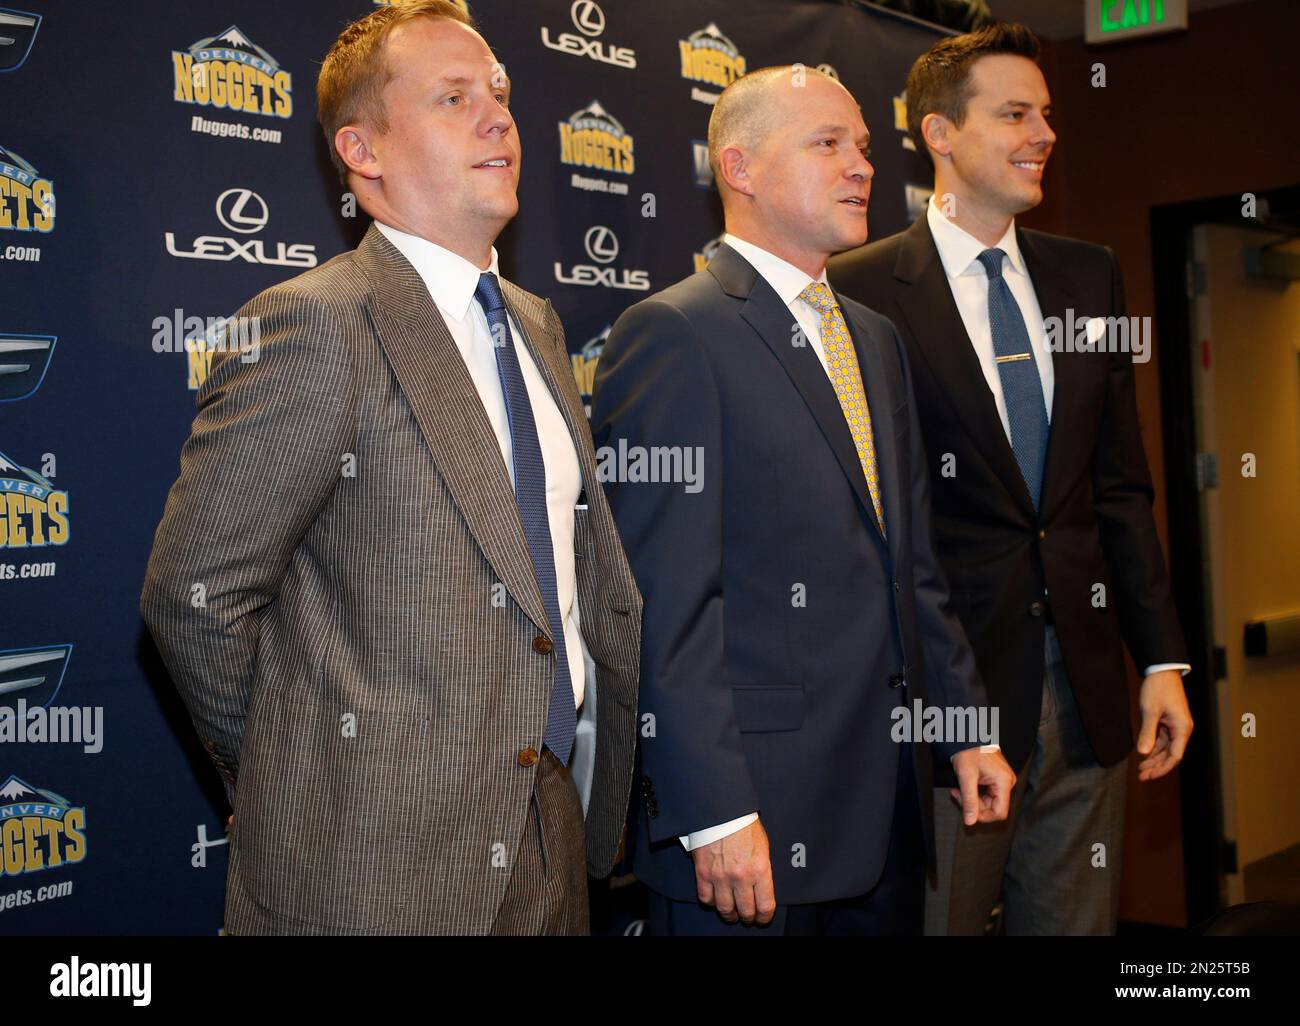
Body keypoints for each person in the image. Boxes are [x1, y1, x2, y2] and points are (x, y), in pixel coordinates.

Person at [140, 0, 641, 936]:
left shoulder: (536, 324)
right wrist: (306, 776)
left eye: (498, 93)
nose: (498, 117)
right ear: (362, 153)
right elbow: (195, 593)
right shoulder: (317, 322)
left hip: (552, 840)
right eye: (453, 99)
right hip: (372, 872)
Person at [591, 65, 1014, 936]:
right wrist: (712, 813)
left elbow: (913, 569)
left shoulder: (876, 338)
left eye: (862, 146)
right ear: (740, 170)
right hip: (748, 832)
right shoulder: (673, 334)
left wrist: (965, 725)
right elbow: (659, 605)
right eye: (828, 144)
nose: (861, 165)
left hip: (886, 815)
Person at [828, 23, 1193, 935]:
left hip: (1089, 696)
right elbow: (868, 520)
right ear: (940, 134)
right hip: (948, 710)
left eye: (1048, 114)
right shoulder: (858, 290)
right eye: (1016, 113)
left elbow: (1120, 484)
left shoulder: (1087, 277)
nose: (1044, 134)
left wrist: (1160, 657)